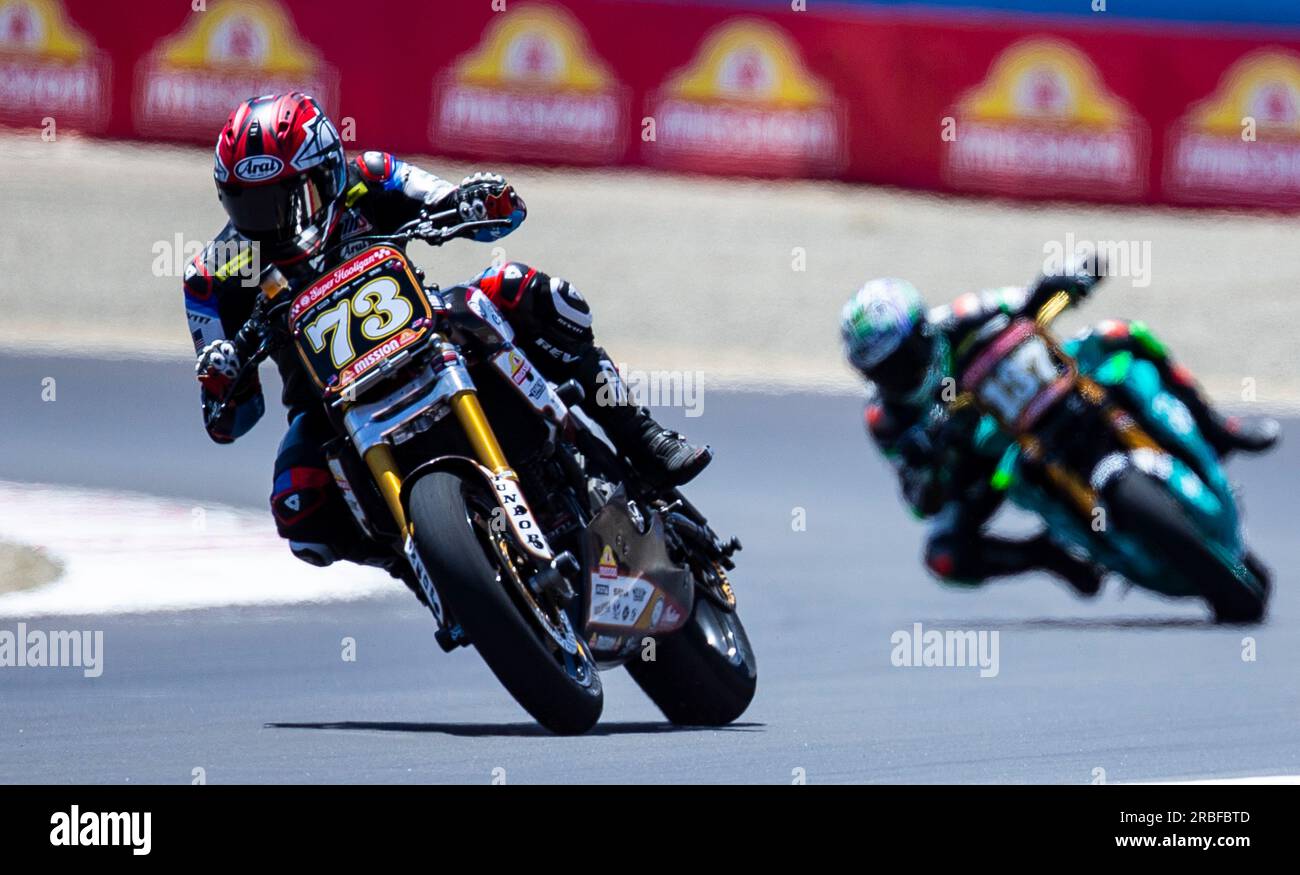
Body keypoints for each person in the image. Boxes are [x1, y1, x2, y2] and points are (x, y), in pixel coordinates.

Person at [185, 92, 710, 569]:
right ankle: (432, 572)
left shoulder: (371, 176)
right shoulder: (212, 276)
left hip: (427, 333)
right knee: (297, 506)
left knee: (524, 290)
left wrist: (480, 200)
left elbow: (471, 206)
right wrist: (223, 380)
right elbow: (226, 423)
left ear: (326, 173)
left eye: (287, 200)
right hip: (330, 408)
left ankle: (640, 436)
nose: (272, 224)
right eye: (250, 206)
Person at [839, 269, 1279, 595]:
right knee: (944, 555)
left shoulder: (963, 315)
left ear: (923, 332)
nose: (898, 375)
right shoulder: (886, 420)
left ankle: (1217, 429)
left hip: (1045, 381)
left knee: (1121, 334)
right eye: (882, 371)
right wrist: (936, 457)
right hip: (989, 455)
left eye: (902, 359)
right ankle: (1048, 556)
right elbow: (921, 503)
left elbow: (1032, 303)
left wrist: (1068, 279)